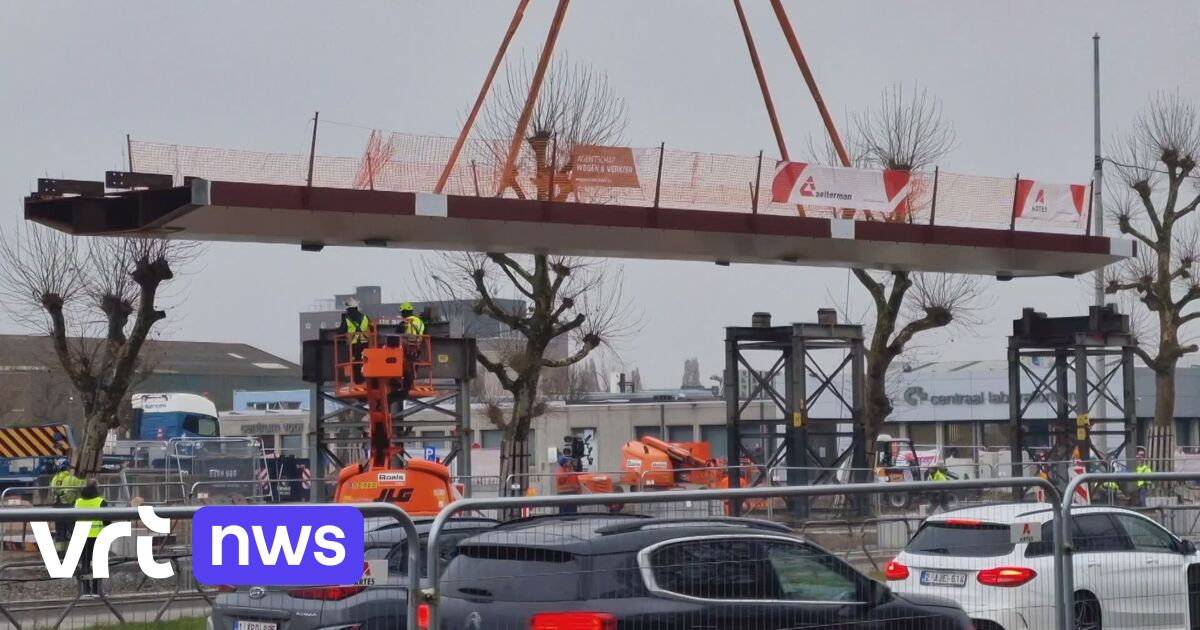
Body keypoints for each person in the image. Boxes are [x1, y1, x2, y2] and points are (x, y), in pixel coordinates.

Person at [74, 479, 108, 596]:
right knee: (98, 564)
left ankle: (85, 590)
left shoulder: (78, 502)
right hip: (98, 537)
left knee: (85, 563)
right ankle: (96, 589)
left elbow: (72, 519)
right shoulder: (101, 502)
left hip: (82, 537)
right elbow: (107, 520)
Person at [49, 461, 84, 552]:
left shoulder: (54, 479)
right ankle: (76, 553)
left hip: (57, 508)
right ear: (67, 468)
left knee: (60, 531)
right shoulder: (71, 479)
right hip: (69, 508)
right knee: (73, 531)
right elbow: (84, 485)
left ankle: (60, 552)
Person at [337, 298, 371, 383]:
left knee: (355, 363)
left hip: (354, 345)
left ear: (348, 308)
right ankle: (366, 378)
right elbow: (372, 329)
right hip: (365, 344)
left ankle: (357, 380)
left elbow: (341, 331)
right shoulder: (365, 317)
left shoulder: (347, 318)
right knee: (364, 362)